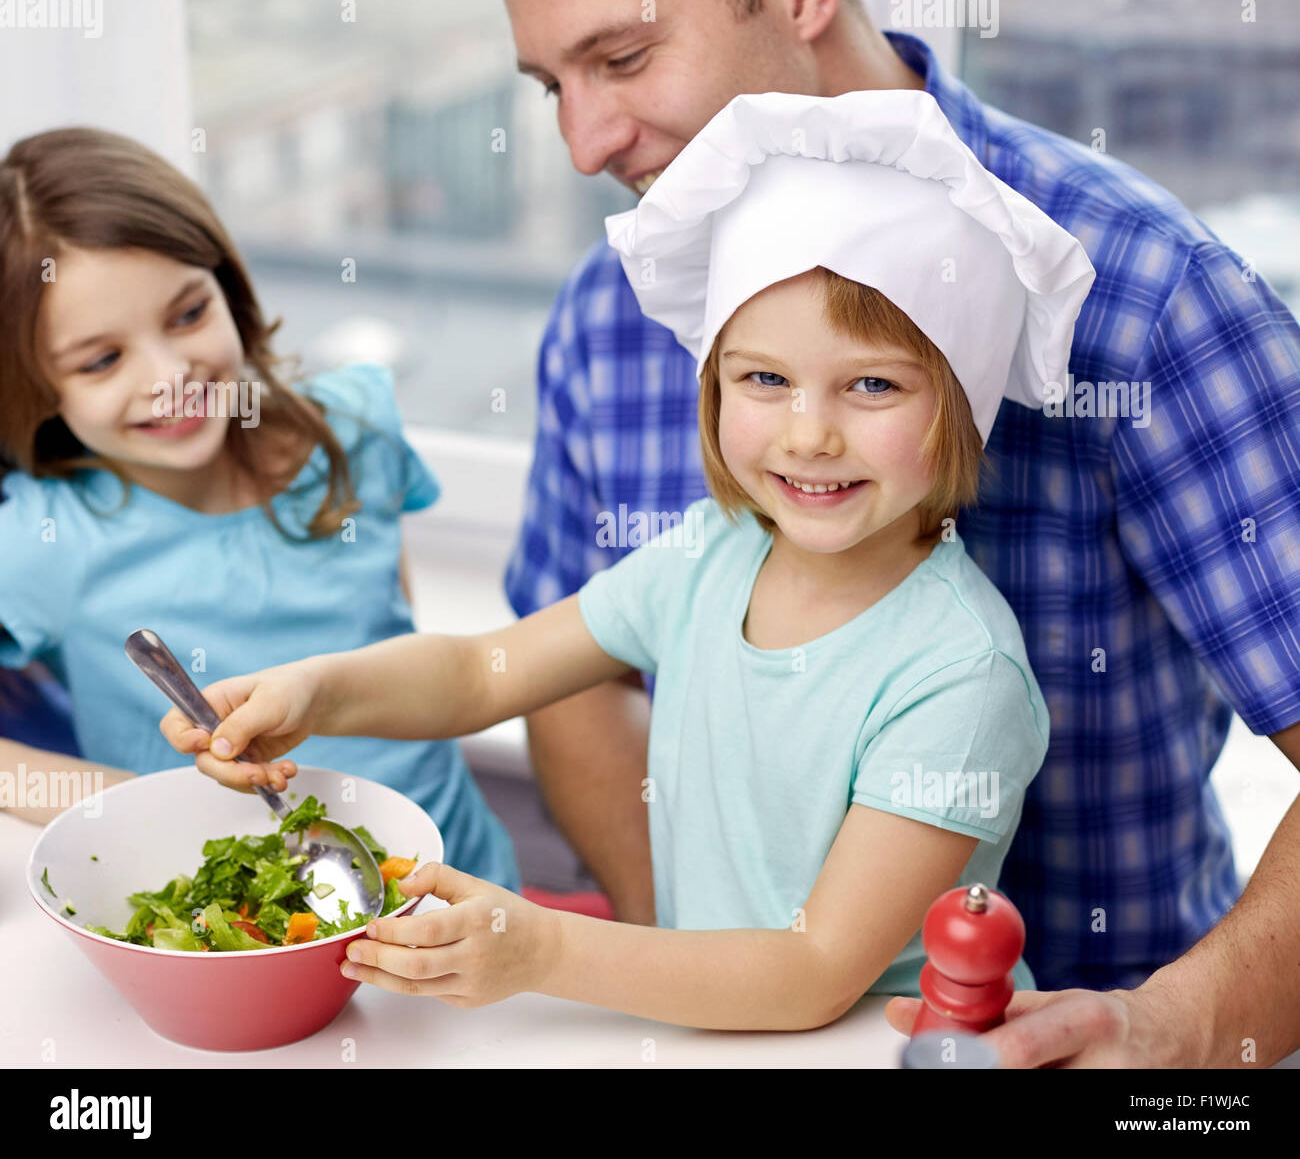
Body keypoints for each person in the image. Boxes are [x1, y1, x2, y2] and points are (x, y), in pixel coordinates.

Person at [159, 88, 1094, 1029]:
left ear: (962, 408)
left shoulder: (960, 676)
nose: (810, 434)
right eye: (765, 378)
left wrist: (544, 950)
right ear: (713, 384)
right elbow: (483, 672)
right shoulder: (713, 554)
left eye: (873, 385)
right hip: (717, 1039)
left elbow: (814, 971)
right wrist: (317, 692)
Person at [499, 0, 1300, 1066]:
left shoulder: (1154, 294)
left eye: (624, 58)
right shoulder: (611, 311)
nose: (582, 142)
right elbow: (571, 677)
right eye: (552, 88)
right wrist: (718, 988)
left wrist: (1176, 1027)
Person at [0, 127, 519, 892]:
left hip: (468, 885)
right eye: (103, 359)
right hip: (243, 935)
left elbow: (394, 645)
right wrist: (125, 806)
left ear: (228, 289)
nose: (171, 374)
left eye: (186, 314)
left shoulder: (357, 427)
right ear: (39, 386)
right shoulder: (46, 538)